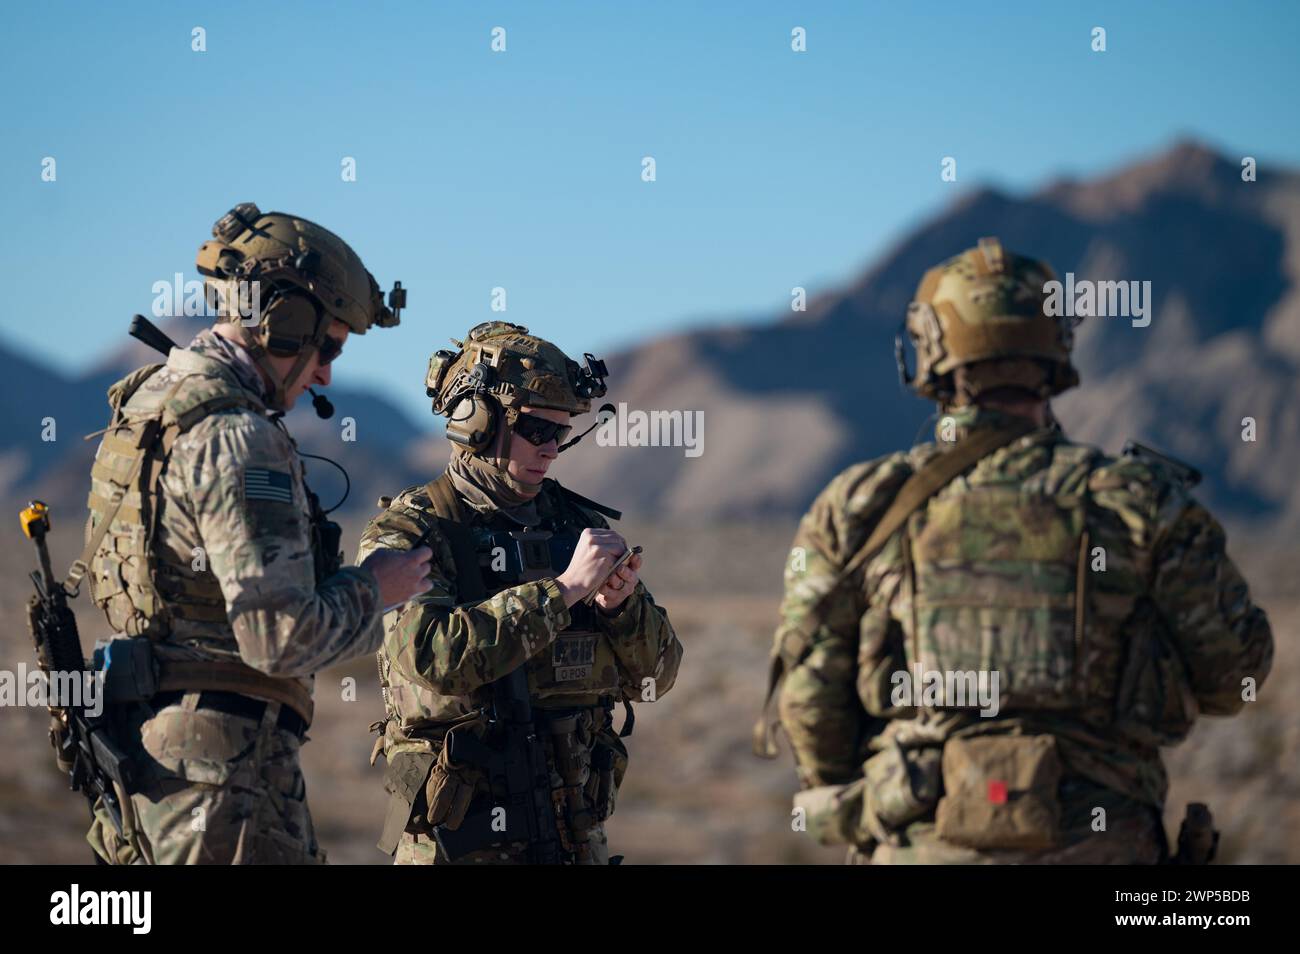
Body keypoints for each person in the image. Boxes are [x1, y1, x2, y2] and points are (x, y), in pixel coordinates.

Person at [758, 237, 1274, 864]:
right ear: (1054, 349)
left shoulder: (859, 506)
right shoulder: (1140, 503)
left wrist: (865, 801)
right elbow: (1235, 677)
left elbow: (811, 706)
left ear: (927, 353)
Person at [81, 203, 431, 864]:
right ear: (284, 322)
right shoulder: (239, 437)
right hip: (223, 789)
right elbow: (280, 637)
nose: (326, 372)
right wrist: (376, 590)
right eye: (327, 345)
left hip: (158, 769)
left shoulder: (151, 404)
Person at [359, 321, 683, 864]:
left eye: (561, 433)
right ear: (478, 421)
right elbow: (432, 656)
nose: (552, 449)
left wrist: (620, 608)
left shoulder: (575, 526)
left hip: (573, 836)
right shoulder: (412, 531)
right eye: (537, 429)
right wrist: (563, 591)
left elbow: (656, 678)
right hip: (456, 844)